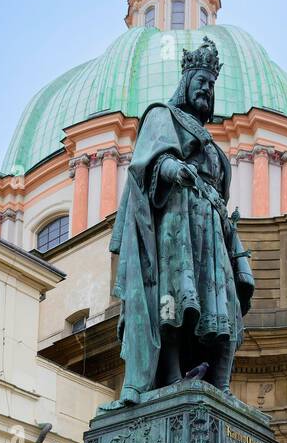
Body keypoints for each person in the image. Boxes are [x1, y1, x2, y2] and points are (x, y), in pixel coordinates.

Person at [108, 36, 254, 405]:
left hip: (212, 227)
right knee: (173, 295)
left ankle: (219, 385)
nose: (206, 88)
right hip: (176, 221)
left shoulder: (210, 141)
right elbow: (149, 162)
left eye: (210, 84)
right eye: (200, 82)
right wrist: (174, 168)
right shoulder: (162, 115)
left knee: (223, 301)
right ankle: (171, 374)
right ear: (185, 82)